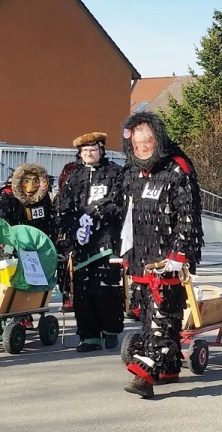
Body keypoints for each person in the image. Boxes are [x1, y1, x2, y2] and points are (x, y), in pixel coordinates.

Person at [120, 112, 203, 399]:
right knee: (147, 317)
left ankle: (146, 375)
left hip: (167, 261)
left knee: (162, 317)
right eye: (138, 144)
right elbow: (126, 217)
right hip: (141, 258)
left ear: (158, 140)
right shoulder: (131, 173)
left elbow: (188, 215)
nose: (142, 148)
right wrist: (125, 251)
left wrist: (180, 254)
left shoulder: (177, 169)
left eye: (148, 142)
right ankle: (168, 367)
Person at [57, 132, 124, 352]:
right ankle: (89, 336)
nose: (89, 154)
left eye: (93, 150)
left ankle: (111, 329)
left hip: (107, 240)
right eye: (85, 151)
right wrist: (75, 227)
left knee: (105, 288)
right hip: (81, 245)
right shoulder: (73, 178)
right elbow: (63, 210)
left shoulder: (115, 173)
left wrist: (95, 213)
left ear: (101, 150)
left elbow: (119, 202)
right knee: (83, 291)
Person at [0, 163, 55, 240]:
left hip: (37, 241)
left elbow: (48, 220)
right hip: (14, 241)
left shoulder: (43, 197)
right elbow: (1, 220)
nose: (30, 188)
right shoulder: (8, 195)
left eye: (35, 181)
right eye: (26, 181)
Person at [54, 161, 79, 312]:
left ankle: (77, 298)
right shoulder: (59, 197)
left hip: (78, 236)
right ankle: (66, 297)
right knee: (63, 269)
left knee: (77, 269)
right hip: (62, 238)